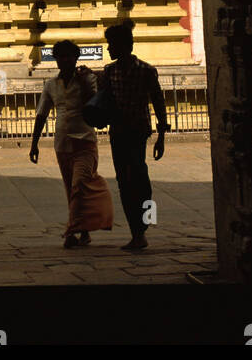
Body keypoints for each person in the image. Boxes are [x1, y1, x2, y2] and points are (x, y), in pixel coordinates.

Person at [29, 40, 114, 248]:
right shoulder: (50, 85)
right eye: (61, 57)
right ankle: (83, 230)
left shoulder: (86, 79)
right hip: (62, 142)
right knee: (72, 189)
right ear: (56, 60)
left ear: (76, 58)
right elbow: (42, 114)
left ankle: (71, 231)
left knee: (79, 184)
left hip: (85, 140)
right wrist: (34, 143)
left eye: (69, 57)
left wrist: (86, 81)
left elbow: (94, 103)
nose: (65, 61)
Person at [101, 21, 169, 250]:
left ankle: (145, 222)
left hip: (138, 131)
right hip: (118, 132)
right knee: (123, 181)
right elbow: (103, 99)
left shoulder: (146, 71)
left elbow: (158, 102)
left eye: (111, 44)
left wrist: (162, 135)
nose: (108, 49)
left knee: (139, 179)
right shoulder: (109, 72)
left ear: (123, 45)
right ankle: (136, 231)